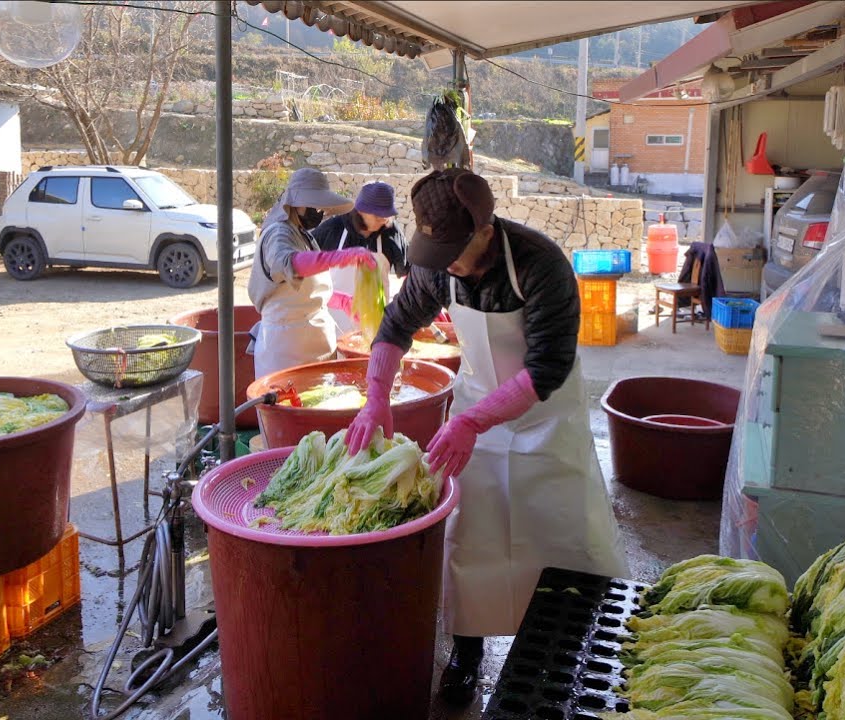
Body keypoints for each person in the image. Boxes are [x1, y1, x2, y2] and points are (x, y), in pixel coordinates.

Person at [345, 168, 629, 705]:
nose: (444, 259)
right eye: (435, 247)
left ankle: (567, 647)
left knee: (560, 531)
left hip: (548, 418)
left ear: (484, 228)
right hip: (475, 407)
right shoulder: (439, 269)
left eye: (454, 247)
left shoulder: (540, 264)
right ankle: (468, 652)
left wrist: (471, 423)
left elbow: (545, 369)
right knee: (471, 533)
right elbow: (395, 327)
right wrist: (376, 395)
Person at [247, 167, 374, 379]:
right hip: (286, 349)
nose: (318, 212)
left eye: (321, 208)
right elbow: (289, 263)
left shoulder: (304, 236)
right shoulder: (278, 233)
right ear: (295, 204)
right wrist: (341, 257)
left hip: (317, 344)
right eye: (313, 206)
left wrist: (343, 302)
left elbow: (304, 294)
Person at [311, 181, 409, 334]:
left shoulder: (391, 233)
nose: (383, 220)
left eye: (386, 215)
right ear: (361, 210)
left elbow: (408, 273)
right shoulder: (334, 228)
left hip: (375, 321)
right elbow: (304, 265)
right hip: (333, 321)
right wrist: (337, 299)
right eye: (377, 215)